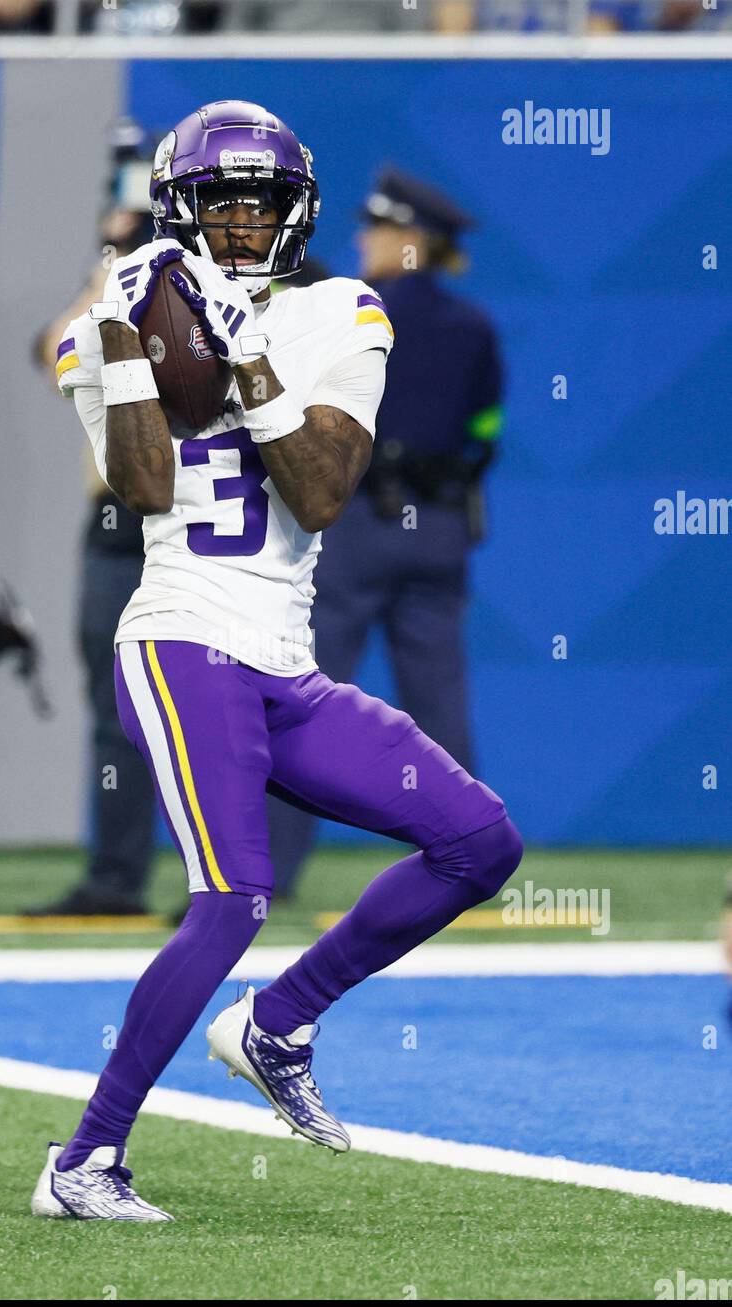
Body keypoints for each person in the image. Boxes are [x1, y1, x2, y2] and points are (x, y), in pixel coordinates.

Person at [30, 100, 522, 1222]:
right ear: (180, 211)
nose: (242, 222)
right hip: (181, 636)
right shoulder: (114, 317)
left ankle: (276, 1022)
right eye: (219, 203)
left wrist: (242, 350)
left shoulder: (346, 311)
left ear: (295, 211)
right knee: (231, 897)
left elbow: (318, 491)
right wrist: (122, 339)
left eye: (261, 202)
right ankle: (84, 1159)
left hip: (283, 661)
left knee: (478, 839)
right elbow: (144, 486)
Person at [268, 167, 504, 897]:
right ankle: (463, 864)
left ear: (408, 240)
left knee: (298, 704)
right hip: (438, 530)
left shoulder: (350, 316)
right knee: (437, 706)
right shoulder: (473, 328)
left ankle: (263, 878)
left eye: (375, 230)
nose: (362, 241)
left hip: (354, 527)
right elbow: (483, 432)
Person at [23, 121, 165, 919]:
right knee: (117, 708)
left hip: (184, 522)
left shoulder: (194, 275)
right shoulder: (110, 276)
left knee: (213, 706)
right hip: (112, 521)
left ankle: (231, 880)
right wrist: (110, 265)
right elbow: (55, 354)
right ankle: (115, 877)